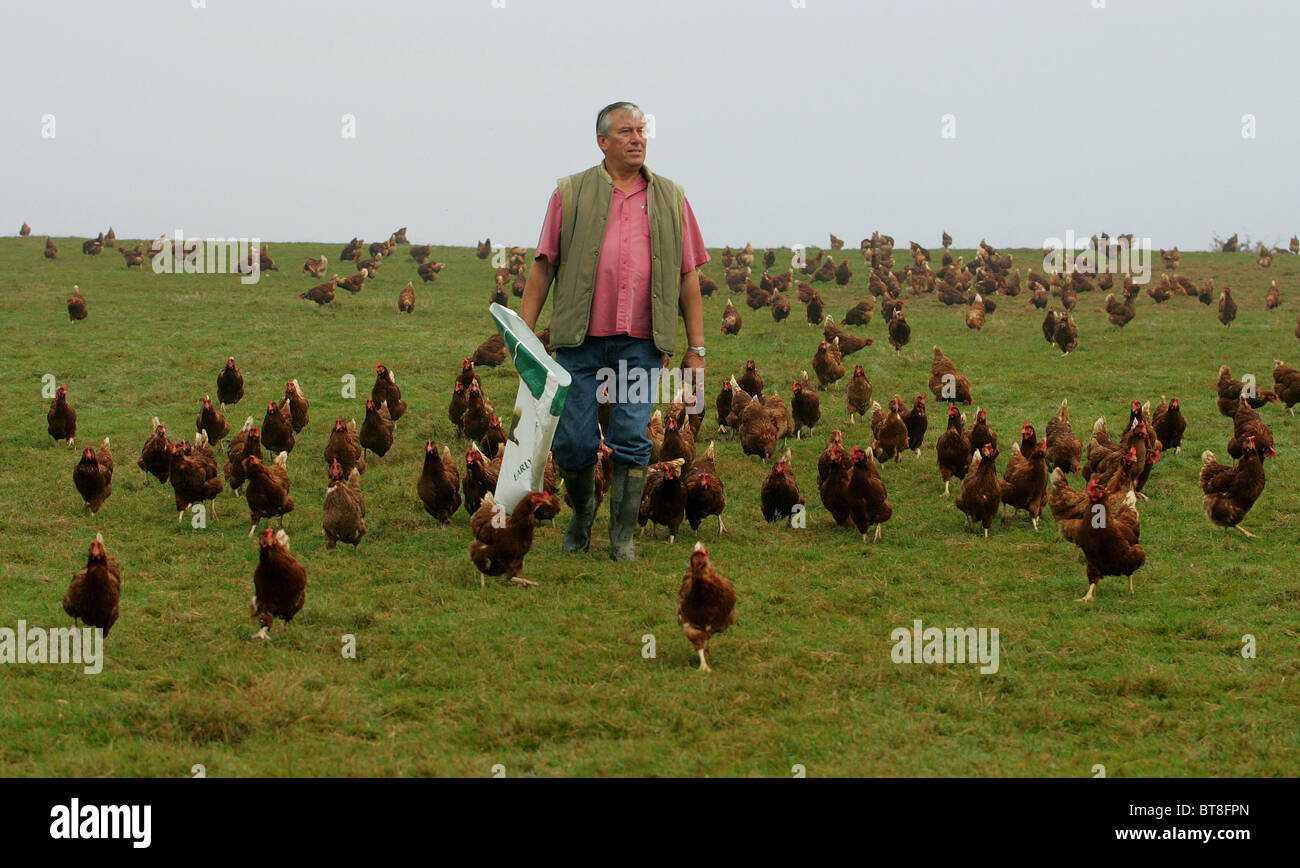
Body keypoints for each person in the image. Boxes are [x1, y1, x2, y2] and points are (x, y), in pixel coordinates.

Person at [520, 101, 709, 561]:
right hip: (577, 345)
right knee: (573, 440)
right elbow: (544, 268)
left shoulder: (672, 197)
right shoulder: (570, 193)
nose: (637, 138)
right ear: (602, 141)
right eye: (626, 131)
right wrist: (523, 336)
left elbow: (688, 277)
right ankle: (582, 514)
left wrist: (696, 347)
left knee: (631, 436)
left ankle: (622, 535)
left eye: (642, 130)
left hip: (642, 345)